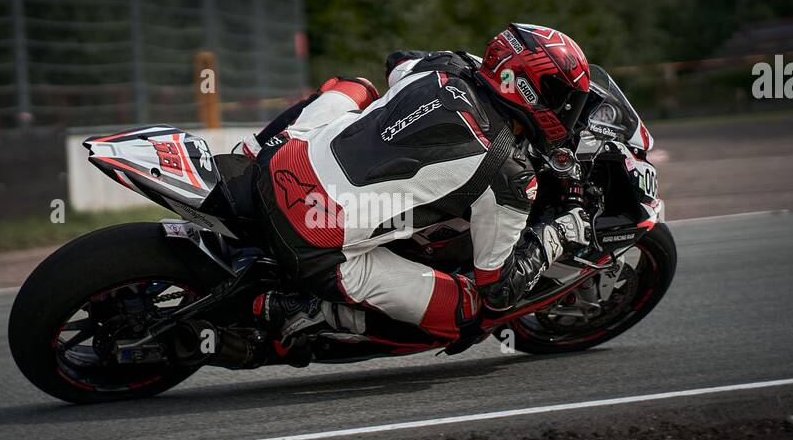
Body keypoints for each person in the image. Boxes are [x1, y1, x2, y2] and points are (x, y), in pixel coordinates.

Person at [236, 23, 596, 359]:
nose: (569, 111)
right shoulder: (510, 173)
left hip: (278, 165)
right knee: (469, 312)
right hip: (313, 241)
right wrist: (562, 232)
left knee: (355, 86)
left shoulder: (445, 66)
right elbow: (499, 291)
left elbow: (398, 60)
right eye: (567, 99)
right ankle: (309, 311)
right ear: (537, 93)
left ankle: (248, 152)